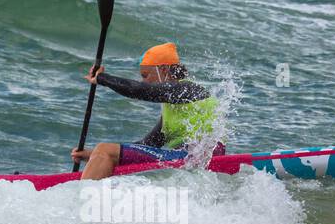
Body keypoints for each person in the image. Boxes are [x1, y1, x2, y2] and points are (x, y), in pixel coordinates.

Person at [71, 43, 223, 181]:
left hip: (200, 156)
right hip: (185, 157)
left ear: (163, 70)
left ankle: (82, 201)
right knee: (103, 150)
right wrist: (92, 155)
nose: (143, 81)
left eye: (145, 75)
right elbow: (147, 145)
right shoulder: (175, 107)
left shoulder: (188, 90)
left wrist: (103, 78)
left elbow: (139, 90)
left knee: (105, 149)